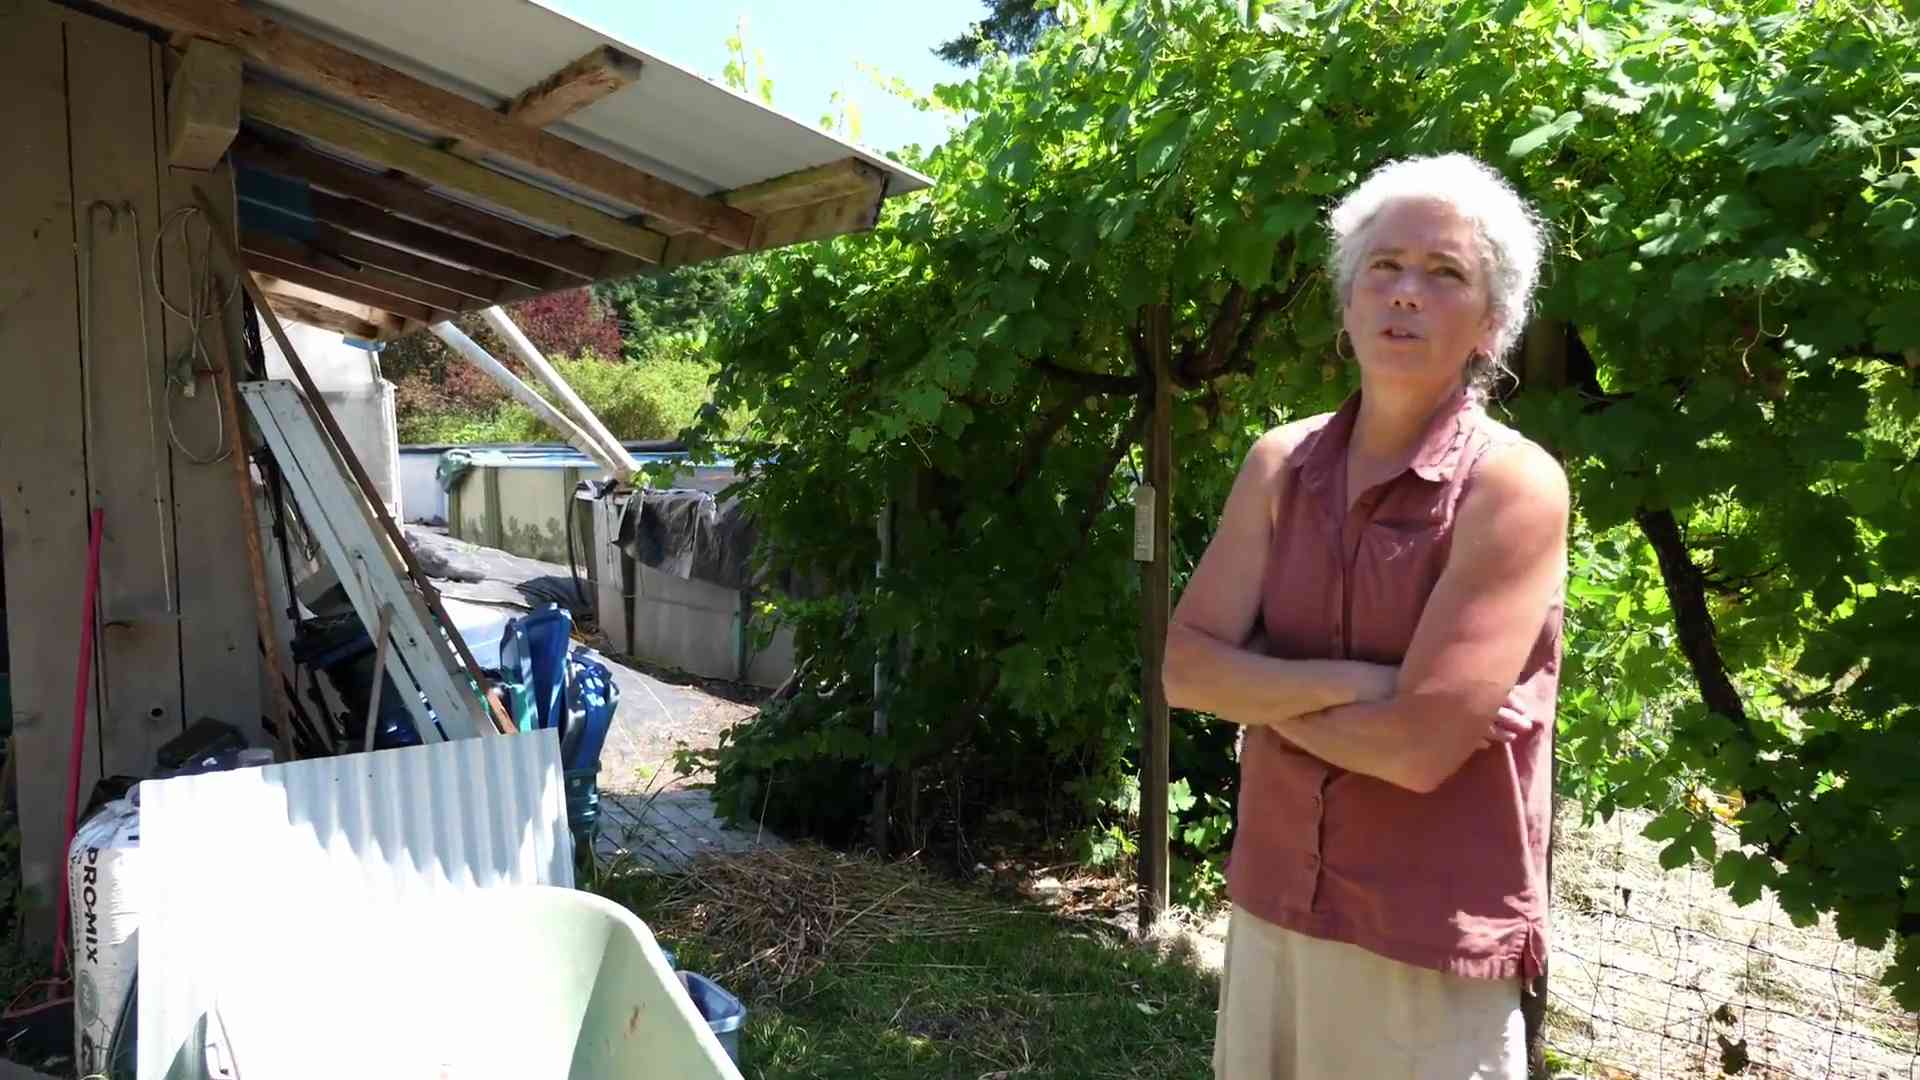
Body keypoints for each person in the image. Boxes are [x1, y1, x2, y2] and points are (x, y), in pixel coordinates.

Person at [1163, 152, 1569, 1080]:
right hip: (1273, 901)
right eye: (1383, 265)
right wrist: (1360, 685)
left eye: (1446, 272)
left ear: (1491, 324)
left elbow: (1418, 750)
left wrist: (1260, 697)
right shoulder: (1279, 464)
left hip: (1424, 935)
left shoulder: (1512, 486)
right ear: (1347, 300)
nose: (1406, 292)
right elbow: (1184, 670)